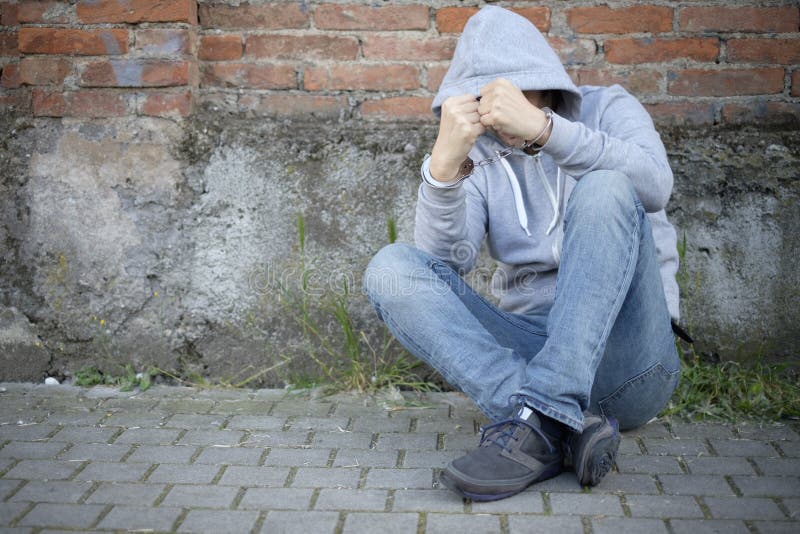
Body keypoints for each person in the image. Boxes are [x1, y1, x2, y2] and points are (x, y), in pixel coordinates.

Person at [362, 5, 681, 501]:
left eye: (508, 95)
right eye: (483, 97)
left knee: (604, 189)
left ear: (543, 80)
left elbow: (656, 185)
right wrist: (443, 170)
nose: (495, 112)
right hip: (534, 345)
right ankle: (557, 423)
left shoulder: (608, 108)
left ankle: (540, 415)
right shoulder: (479, 150)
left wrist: (543, 129)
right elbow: (445, 265)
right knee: (390, 270)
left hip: (629, 361)